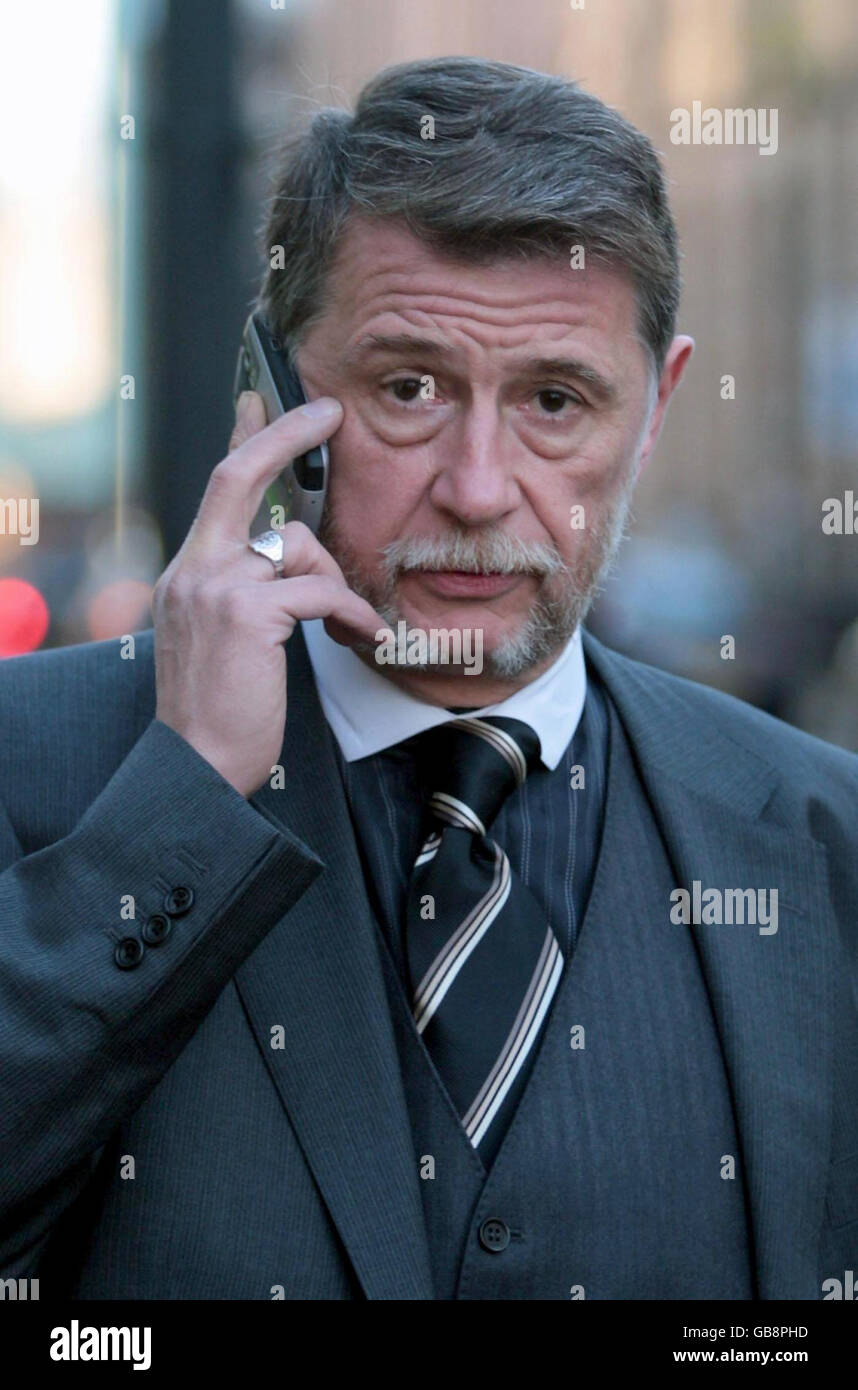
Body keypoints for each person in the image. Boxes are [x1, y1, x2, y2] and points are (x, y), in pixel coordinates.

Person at [1, 57, 855, 1301]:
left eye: (556, 401)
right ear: (273, 386)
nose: (476, 487)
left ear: (657, 406)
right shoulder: (31, 760)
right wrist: (176, 807)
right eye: (408, 389)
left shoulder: (825, 846)